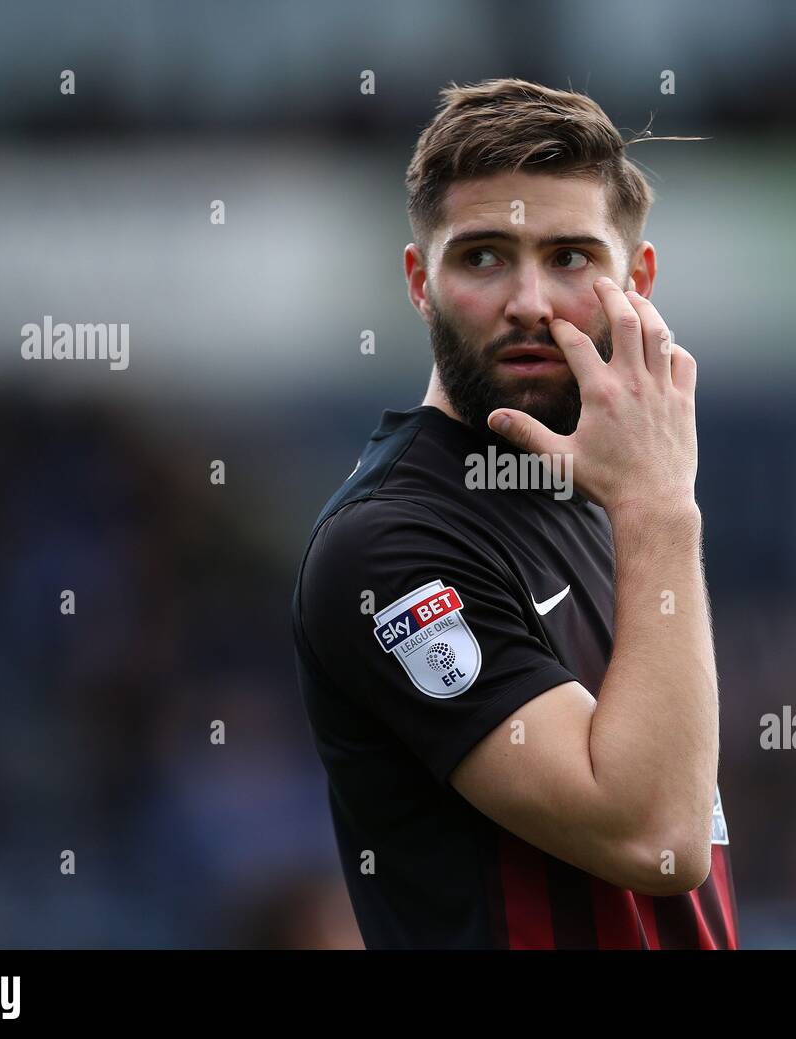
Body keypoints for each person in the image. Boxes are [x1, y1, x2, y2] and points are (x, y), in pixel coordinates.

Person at [292, 78, 737, 948]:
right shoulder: (390, 545)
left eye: (571, 257)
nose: (529, 301)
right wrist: (662, 506)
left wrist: (647, 503)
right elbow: (656, 839)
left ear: (635, 280)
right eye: (484, 256)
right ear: (421, 281)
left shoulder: (608, 496)